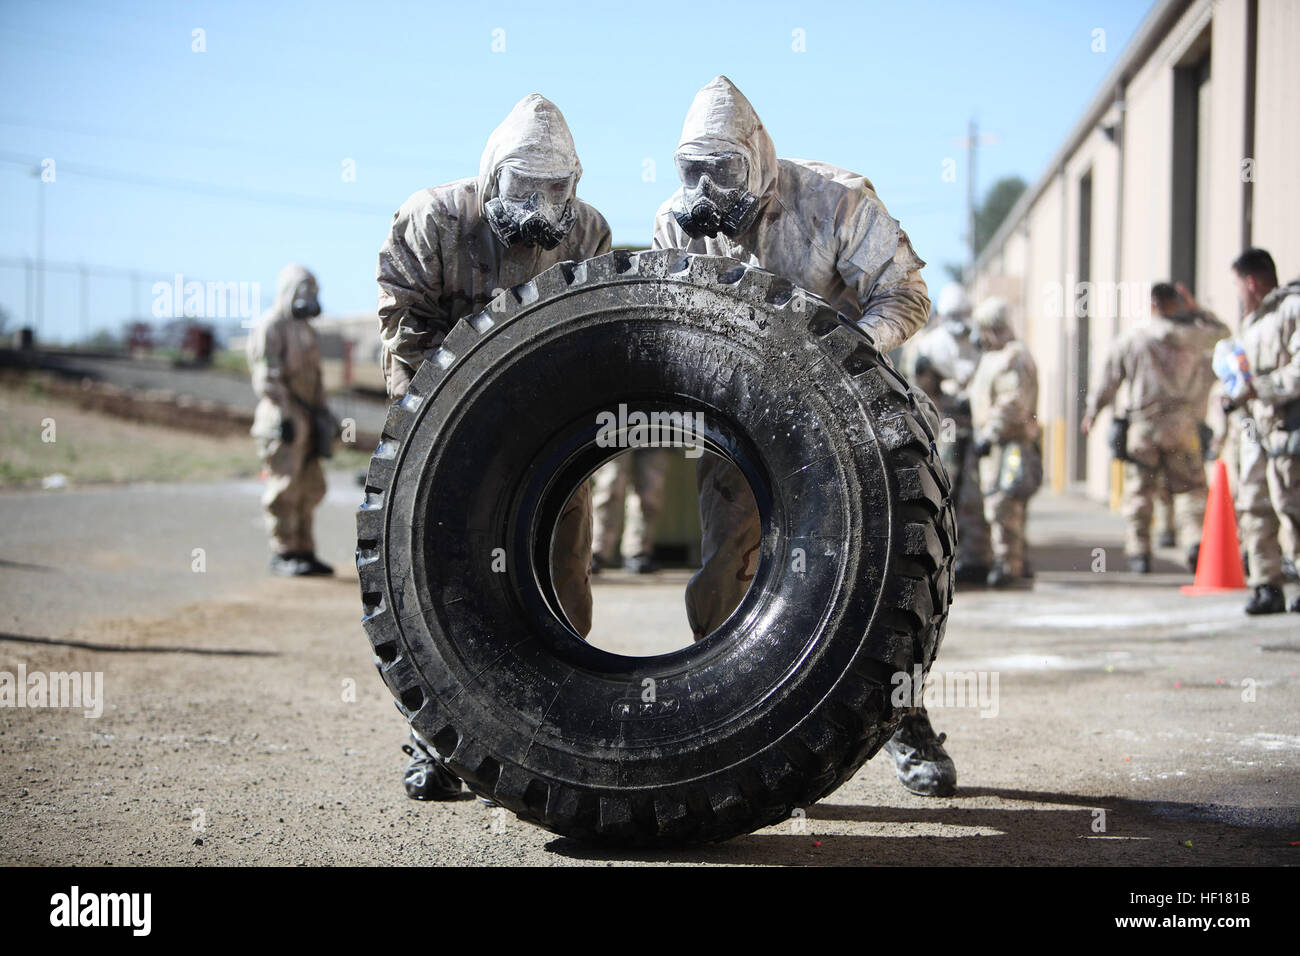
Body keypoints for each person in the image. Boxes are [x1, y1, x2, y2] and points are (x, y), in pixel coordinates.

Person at [652, 76, 955, 798]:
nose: (705, 187)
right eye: (692, 170)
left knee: (877, 581)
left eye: (721, 170)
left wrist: (839, 352)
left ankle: (901, 721)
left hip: (851, 412)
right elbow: (665, 316)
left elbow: (908, 296)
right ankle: (720, 719)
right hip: (744, 413)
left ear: (757, 157)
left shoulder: (837, 200)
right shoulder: (679, 221)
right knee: (726, 564)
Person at [377, 93, 612, 798]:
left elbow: (598, 329)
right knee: (441, 590)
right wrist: (451, 418)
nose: (541, 204)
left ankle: (563, 721)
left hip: (550, 432)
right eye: (524, 187)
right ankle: (436, 742)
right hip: (443, 430)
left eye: (554, 189)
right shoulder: (433, 220)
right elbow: (404, 323)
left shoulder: (587, 230)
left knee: (563, 569)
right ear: (492, 176)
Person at [1083, 282, 1227, 573]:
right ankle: (1194, 542)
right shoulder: (1191, 336)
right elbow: (1224, 334)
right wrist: (1197, 308)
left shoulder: (1132, 338)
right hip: (1182, 424)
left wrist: (1092, 413)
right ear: (1176, 304)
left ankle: (1139, 551)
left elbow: (1108, 378)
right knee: (1190, 488)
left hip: (1143, 426)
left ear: (1152, 305)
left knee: (1140, 490)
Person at [1219, 248, 1300, 614]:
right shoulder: (1250, 326)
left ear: (1251, 281)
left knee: (1292, 507)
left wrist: (1260, 388)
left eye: (1238, 285)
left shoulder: (1291, 310)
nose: (1238, 294)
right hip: (1256, 432)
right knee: (1254, 506)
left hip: (1288, 429)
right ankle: (1267, 585)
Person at [247, 264, 336, 577]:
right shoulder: (271, 326)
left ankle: (304, 550)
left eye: (313, 292)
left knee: (309, 486)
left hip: (308, 419)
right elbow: (266, 377)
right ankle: (283, 551)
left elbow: (316, 379)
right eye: (304, 291)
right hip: (283, 419)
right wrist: (286, 414)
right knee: (285, 488)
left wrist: (324, 414)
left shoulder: (306, 331)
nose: (310, 298)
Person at [909, 283, 994, 586]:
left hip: (975, 426)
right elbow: (919, 392)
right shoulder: (930, 346)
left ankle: (976, 559)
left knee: (974, 495)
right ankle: (940, 557)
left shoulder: (979, 342)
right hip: (945, 428)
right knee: (943, 491)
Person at [969, 297, 1040, 588]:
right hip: (995, 444)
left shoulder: (1014, 358)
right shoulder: (993, 357)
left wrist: (989, 432)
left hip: (1009, 443)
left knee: (1004, 503)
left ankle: (1008, 564)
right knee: (998, 502)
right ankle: (1011, 560)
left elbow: (1014, 403)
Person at [591, 449, 670, 574]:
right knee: (610, 486)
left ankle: (638, 551)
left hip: (653, 433)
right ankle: (596, 551)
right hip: (613, 431)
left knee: (650, 493)